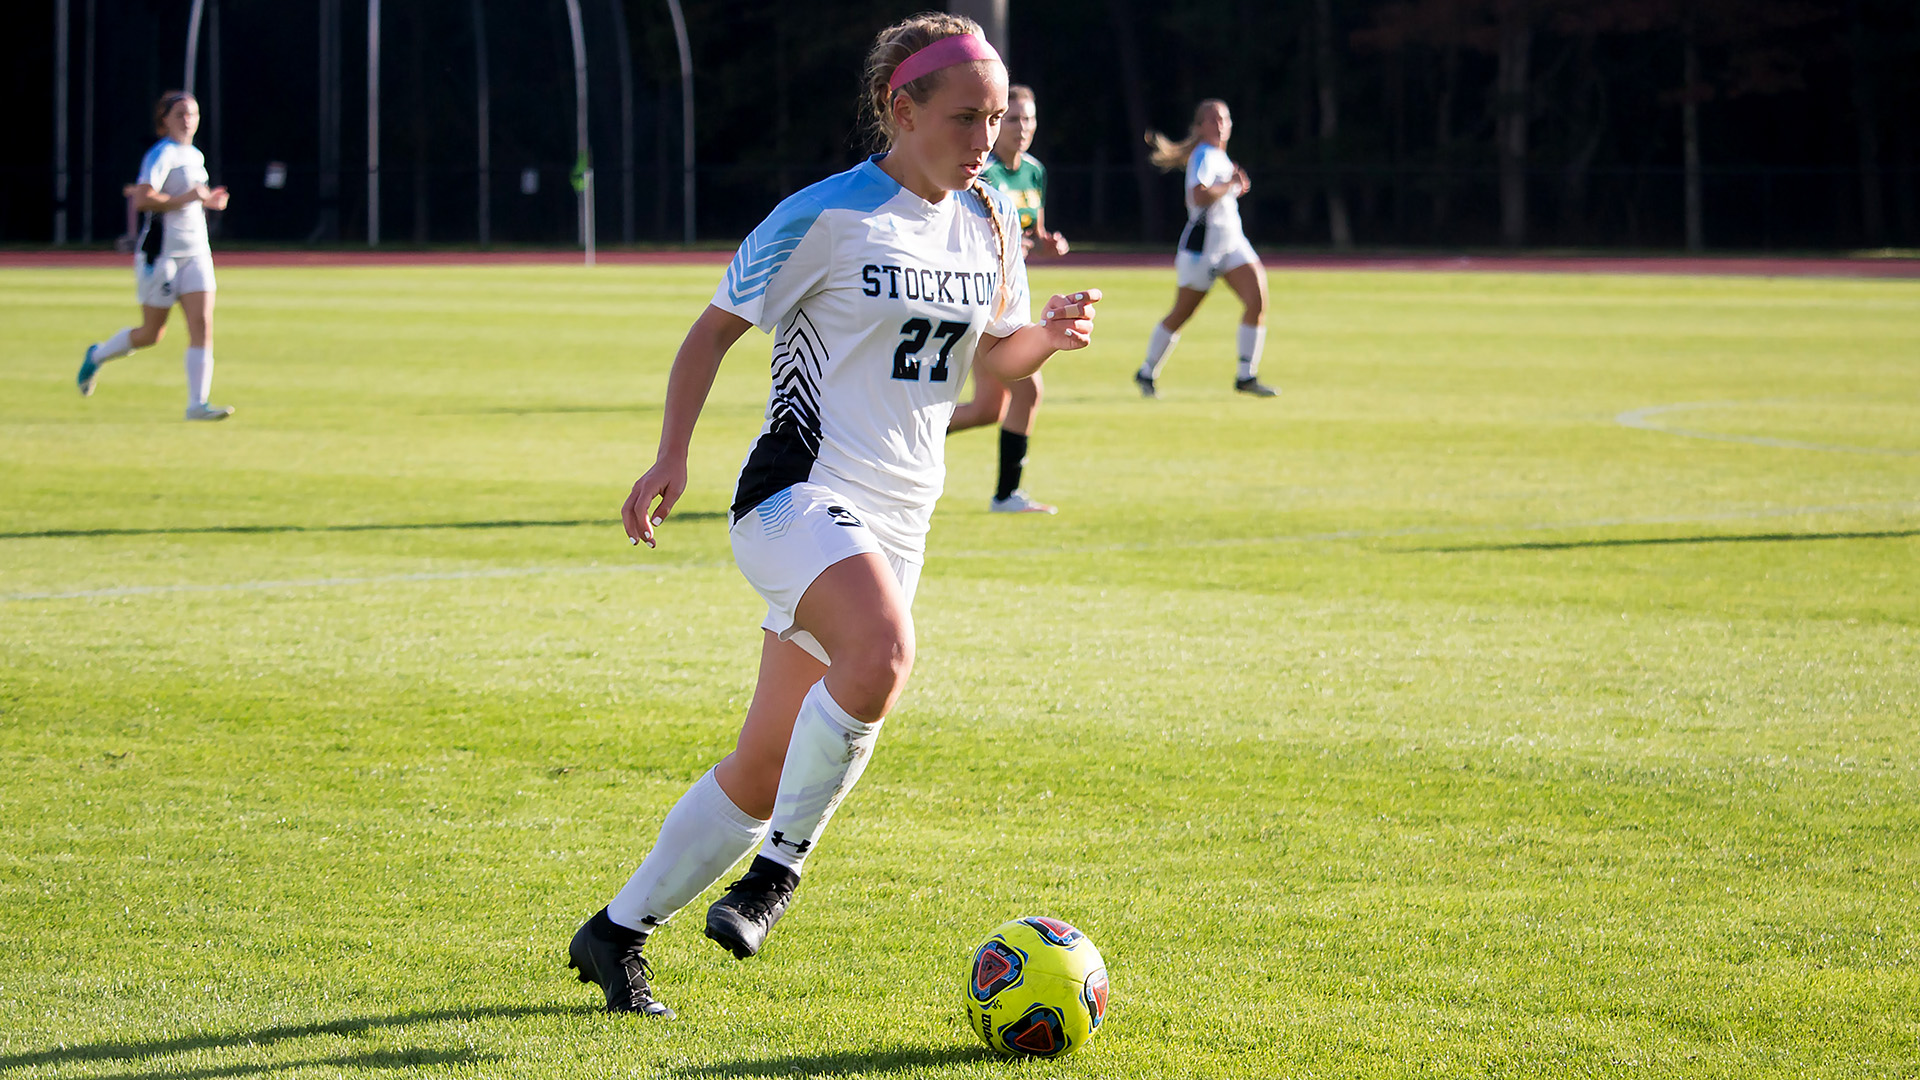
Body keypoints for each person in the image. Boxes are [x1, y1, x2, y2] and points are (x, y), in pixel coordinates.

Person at [567, 14, 1101, 1017]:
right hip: (795, 498)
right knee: (886, 658)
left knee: (763, 768)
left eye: (996, 118)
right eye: (964, 117)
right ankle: (777, 878)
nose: (985, 137)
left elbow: (990, 365)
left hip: (901, 521)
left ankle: (615, 932)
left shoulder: (990, 219)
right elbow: (712, 331)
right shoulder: (824, 215)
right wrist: (671, 452)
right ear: (901, 109)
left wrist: (1049, 338)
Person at [76, 91, 234, 421]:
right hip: (162, 255)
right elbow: (143, 199)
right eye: (180, 114)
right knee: (151, 333)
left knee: (202, 324)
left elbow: (191, 199)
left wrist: (208, 202)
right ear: (164, 120)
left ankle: (197, 405)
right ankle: (99, 354)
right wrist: (187, 198)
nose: (188, 119)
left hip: (196, 252)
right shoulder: (160, 154)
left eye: (192, 113)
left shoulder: (194, 155)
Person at [948, 85, 1068, 515]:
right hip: (981, 299)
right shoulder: (982, 176)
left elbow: (1029, 233)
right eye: (1012, 119)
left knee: (986, 409)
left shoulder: (1033, 171)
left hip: (1006, 299)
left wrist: (1046, 243)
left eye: (1029, 119)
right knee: (1028, 391)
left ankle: (884, 436)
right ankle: (1006, 495)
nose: (1023, 128)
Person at [1134, 99, 1276, 399]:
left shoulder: (1219, 157)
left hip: (1231, 243)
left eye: (1224, 119)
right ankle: (1146, 371)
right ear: (1199, 127)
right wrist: (1229, 185)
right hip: (1204, 248)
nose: (1220, 124)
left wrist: (1234, 184)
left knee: (1258, 299)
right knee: (1181, 313)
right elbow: (1198, 195)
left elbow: (1220, 191)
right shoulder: (1204, 155)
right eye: (1212, 120)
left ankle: (1245, 375)